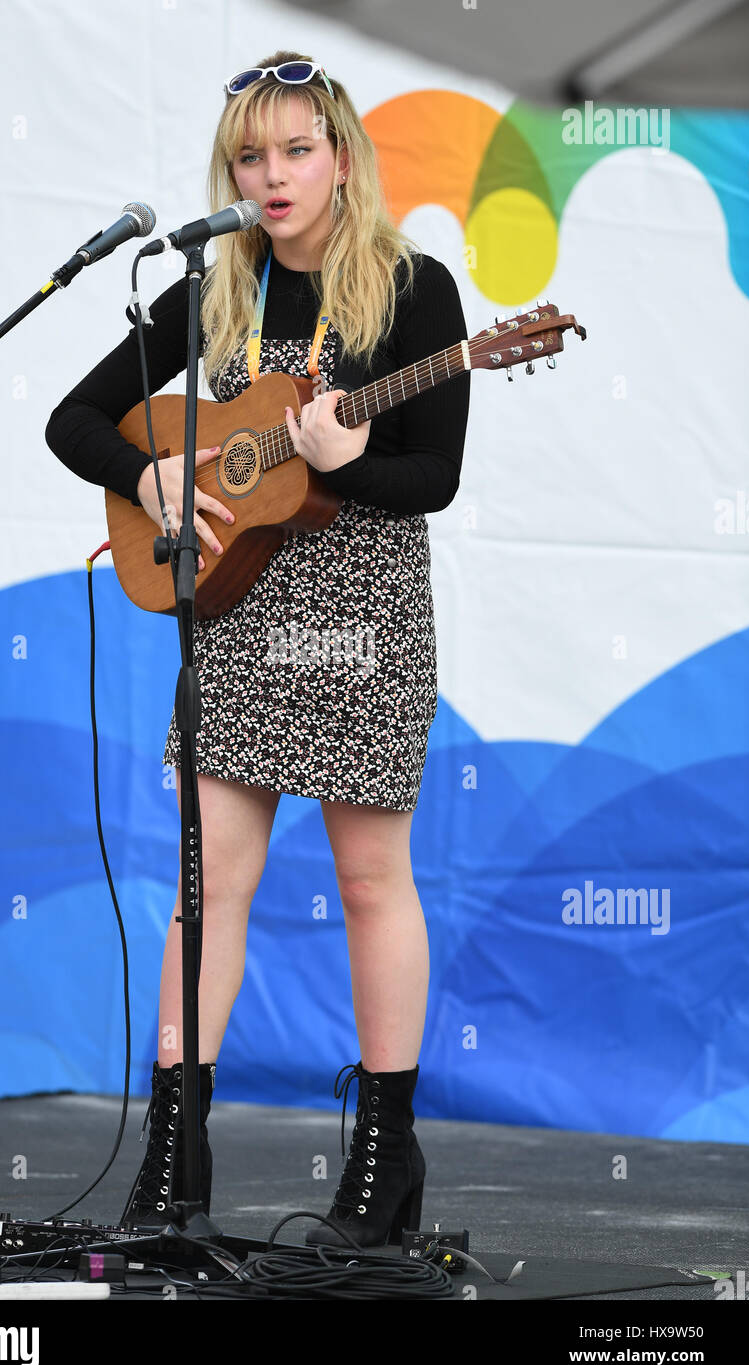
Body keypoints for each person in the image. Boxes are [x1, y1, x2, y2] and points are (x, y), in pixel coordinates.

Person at [45, 50, 470, 1249]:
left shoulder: (412, 290)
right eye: (249, 154)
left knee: (369, 881)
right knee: (207, 887)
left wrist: (343, 465)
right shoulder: (215, 289)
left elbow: (429, 475)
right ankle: (175, 1158)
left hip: (359, 613)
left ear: (342, 156)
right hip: (234, 614)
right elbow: (69, 420)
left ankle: (384, 1162)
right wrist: (152, 471)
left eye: (293, 149)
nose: (270, 175)